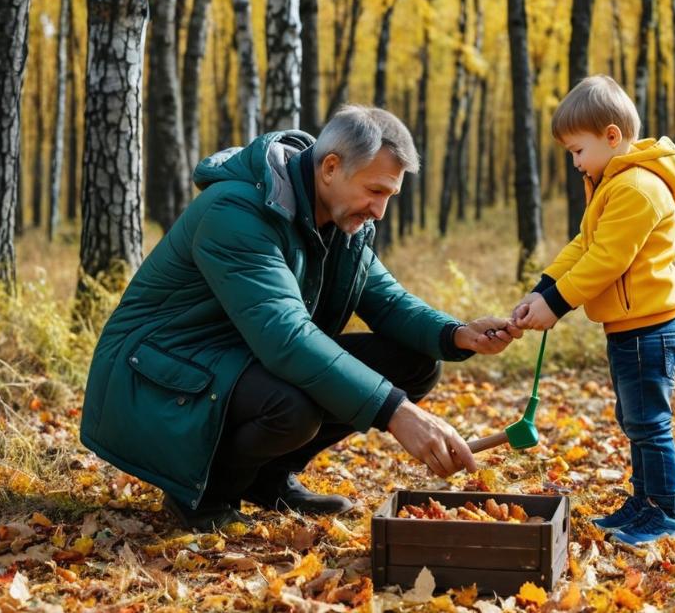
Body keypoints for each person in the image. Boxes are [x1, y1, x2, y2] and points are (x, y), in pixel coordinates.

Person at [80, 105, 523, 530]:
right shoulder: (235, 212)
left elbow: (387, 302)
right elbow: (285, 336)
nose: (380, 211)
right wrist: (395, 412)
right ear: (330, 168)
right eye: (375, 191)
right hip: (154, 371)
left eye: (389, 195)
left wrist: (457, 334)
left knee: (415, 362)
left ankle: (269, 480)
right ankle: (201, 495)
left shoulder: (340, 219)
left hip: (232, 361)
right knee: (291, 409)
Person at [512, 75, 675, 545]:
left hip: (650, 330)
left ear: (611, 137)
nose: (575, 163)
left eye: (577, 150)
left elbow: (607, 259)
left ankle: (666, 513)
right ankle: (645, 501)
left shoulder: (636, 187)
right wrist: (544, 288)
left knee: (649, 422)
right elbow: (585, 244)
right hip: (630, 329)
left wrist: (556, 305)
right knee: (634, 419)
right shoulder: (611, 184)